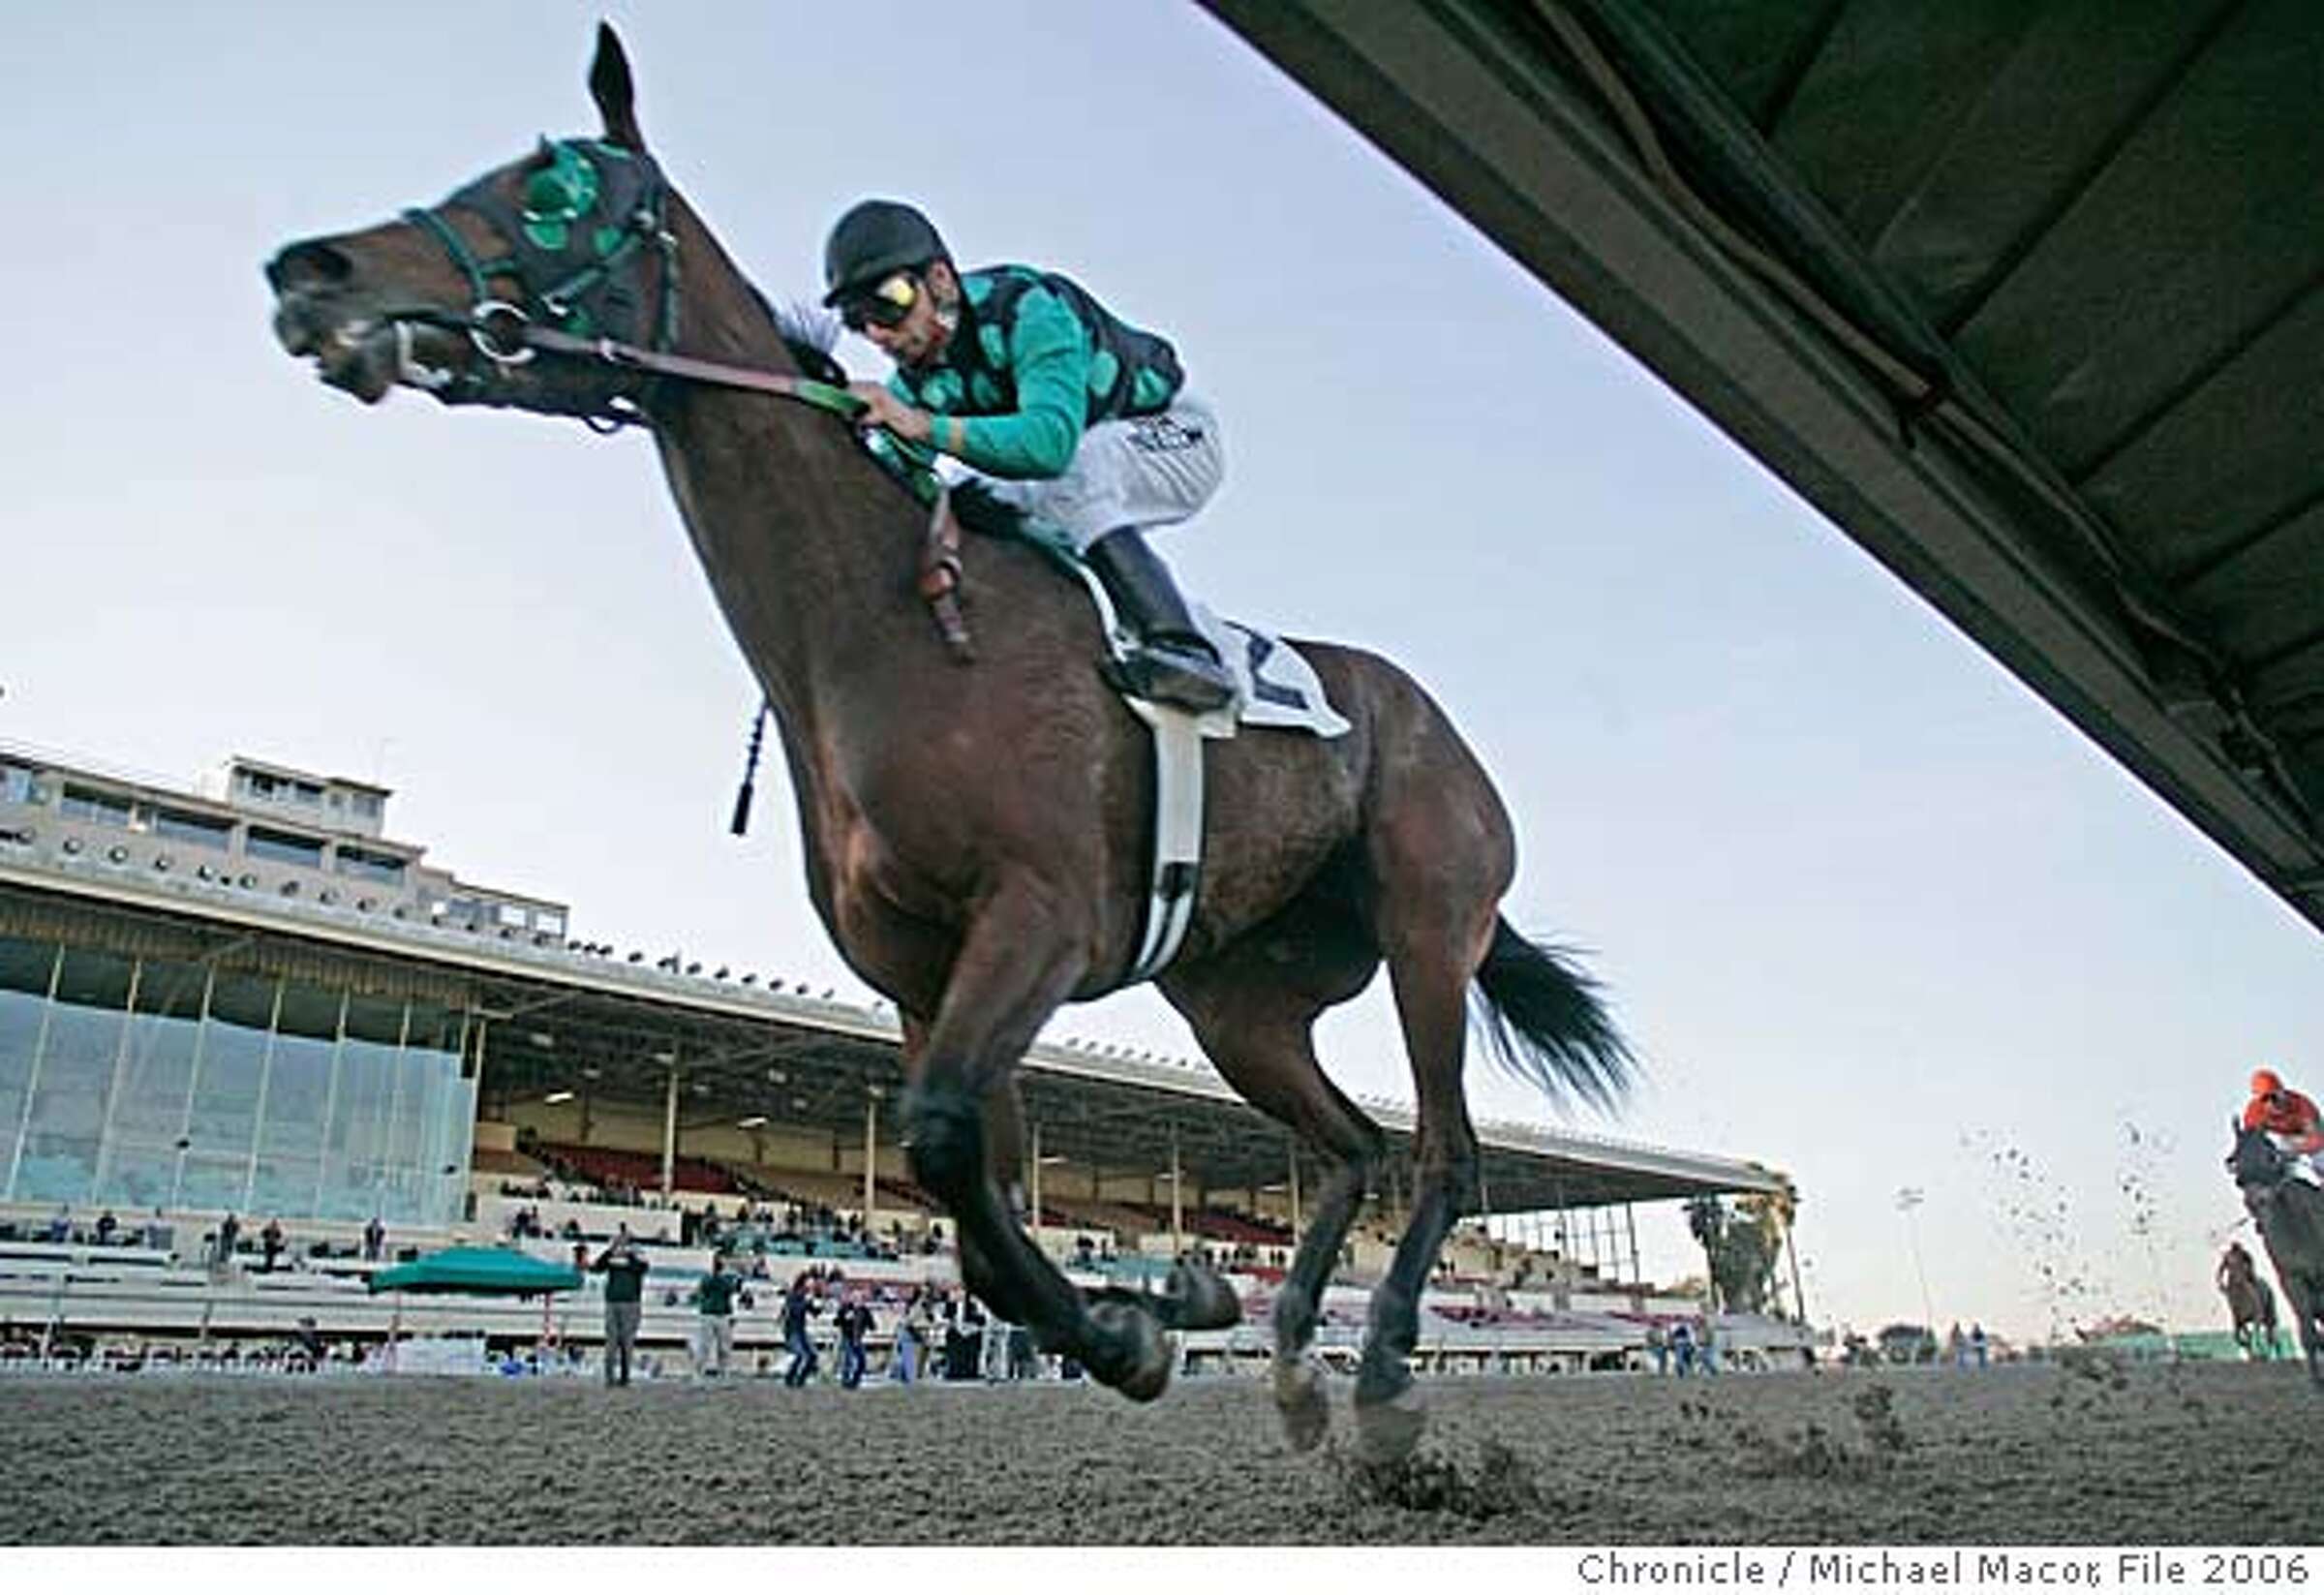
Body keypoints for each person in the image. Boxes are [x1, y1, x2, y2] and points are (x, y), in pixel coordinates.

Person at [820, 199, 1237, 713]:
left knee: (1077, 469)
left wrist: (919, 424)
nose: (878, 333)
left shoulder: (1030, 308)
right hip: (1087, 453)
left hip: (1175, 435)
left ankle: (1182, 647)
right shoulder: (915, 384)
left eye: (890, 300)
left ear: (941, 280)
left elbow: (1049, 444)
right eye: (856, 319)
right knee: (971, 502)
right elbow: (898, 488)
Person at [589, 1226, 650, 1388]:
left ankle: (621, 1377)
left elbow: (642, 1268)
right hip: (623, 1302)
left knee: (622, 1342)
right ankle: (615, 1377)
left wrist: (623, 1253)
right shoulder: (614, 1257)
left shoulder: (635, 1257)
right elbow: (597, 1267)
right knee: (618, 1341)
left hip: (623, 1301)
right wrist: (611, 1251)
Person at [2244, 1068, 2324, 1181]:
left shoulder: (2303, 1105)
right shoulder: (2254, 1112)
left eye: (2274, 1097)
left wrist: (2294, 1150)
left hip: (2308, 1139)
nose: (2271, 1103)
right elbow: (2249, 1141)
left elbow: (2316, 1141)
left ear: (2282, 1092)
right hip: (2281, 1142)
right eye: (2265, 1099)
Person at [690, 1252, 744, 1380]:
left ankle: (722, 1372)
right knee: (707, 1345)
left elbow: (733, 1291)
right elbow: (702, 1291)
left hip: (720, 1315)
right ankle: (700, 1371)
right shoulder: (711, 1279)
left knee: (722, 1346)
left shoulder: (721, 1280)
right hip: (711, 1314)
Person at [780, 1273, 821, 1388]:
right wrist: (806, 1302)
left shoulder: (806, 1296)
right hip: (792, 1330)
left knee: (813, 1355)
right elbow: (794, 1310)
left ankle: (801, 1379)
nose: (812, 1285)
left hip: (801, 1329)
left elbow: (814, 1313)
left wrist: (818, 1306)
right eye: (810, 1282)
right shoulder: (793, 1295)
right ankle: (790, 1377)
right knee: (800, 1354)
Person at [835, 1290, 872, 1390]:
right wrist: (844, 1317)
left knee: (862, 1362)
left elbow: (871, 1324)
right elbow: (837, 1322)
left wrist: (869, 1324)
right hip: (848, 1337)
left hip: (858, 1339)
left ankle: (855, 1381)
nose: (857, 1301)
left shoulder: (864, 1310)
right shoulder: (847, 1309)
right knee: (848, 1360)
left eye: (859, 1298)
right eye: (855, 1298)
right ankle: (845, 1381)